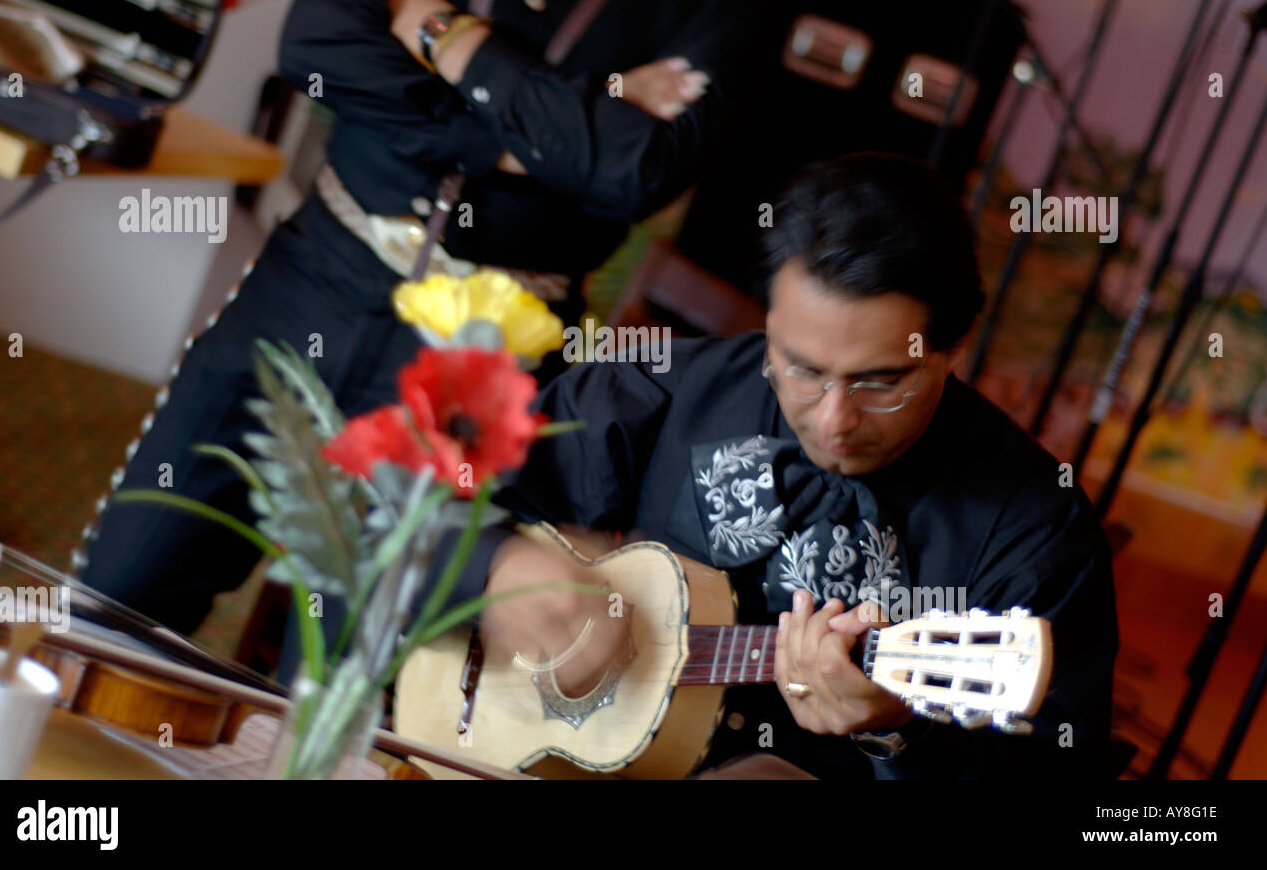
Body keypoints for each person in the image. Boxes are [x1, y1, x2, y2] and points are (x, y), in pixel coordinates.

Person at [79, 0, 782, 636]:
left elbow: (634, 171)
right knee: (117, 593)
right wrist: (553, 127)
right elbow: (317, 42)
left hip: (498, 348)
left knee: (353, 680)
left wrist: (446, 36)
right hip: (314, 278)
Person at [445, 153, 1119, 779]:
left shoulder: (1036, 537)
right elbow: (411, 502)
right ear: (769, 318)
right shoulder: (661, 389)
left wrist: (899, 734)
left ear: (953, 348)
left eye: (881, 381)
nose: (833, 419)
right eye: (801, 367)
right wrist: (498, 562)